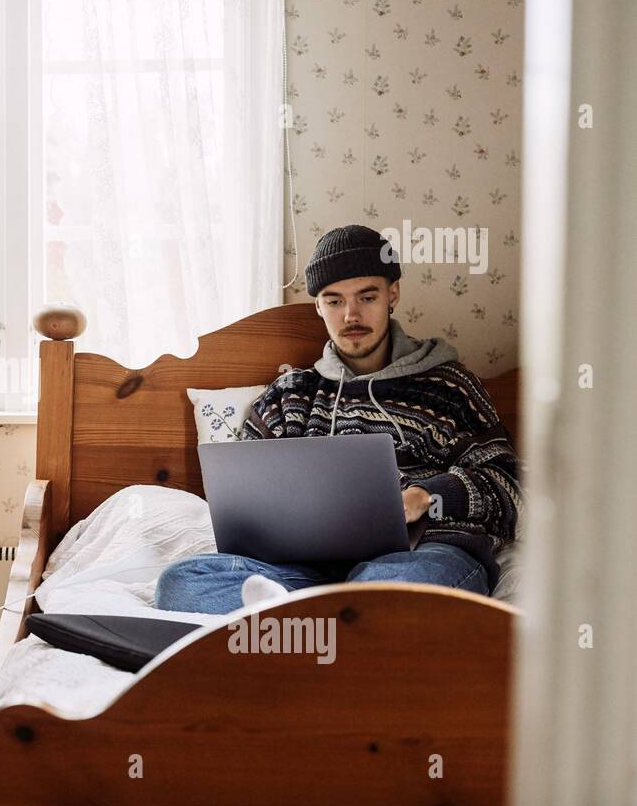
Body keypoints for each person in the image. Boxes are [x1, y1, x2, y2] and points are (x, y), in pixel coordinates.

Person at [156, 224, 521, 614]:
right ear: (317, 306)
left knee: (387, 592)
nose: (351, 315)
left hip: (421, 556)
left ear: (392, 294)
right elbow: (245, 497)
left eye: (367, 297)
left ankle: (293, 623)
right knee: (180, 584)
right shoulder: (290, 394)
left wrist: (425, 496)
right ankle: (342, 627)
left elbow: (508, 486)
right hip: (304, 568)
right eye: (334, 301)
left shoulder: (450, 386)